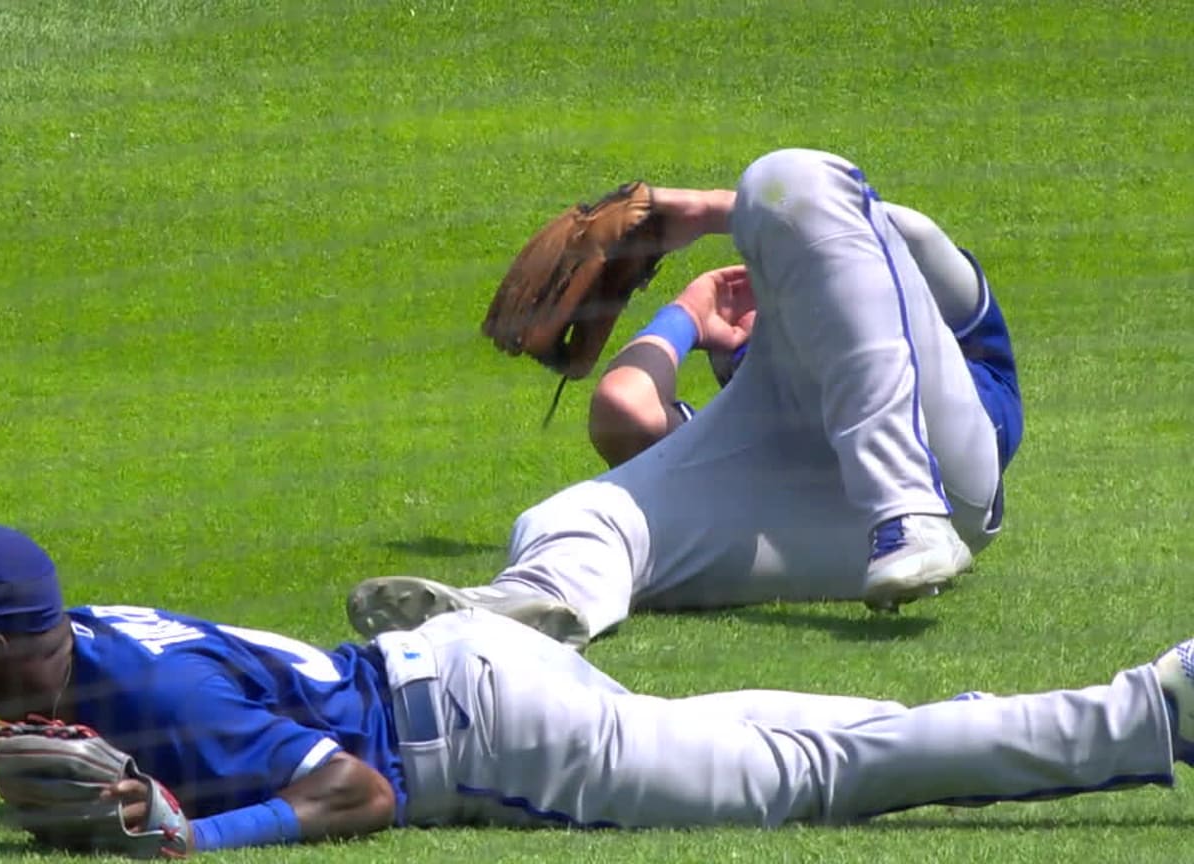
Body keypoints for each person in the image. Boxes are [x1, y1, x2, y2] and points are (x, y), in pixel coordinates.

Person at [0, 524, 1191, 855]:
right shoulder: (86, 645)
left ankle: (1161, 708)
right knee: (805, 735)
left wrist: (193, 840)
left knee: (829, 776)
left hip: (491, 739)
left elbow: (357, 793)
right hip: (467, 668)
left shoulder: (154, 700)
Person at [348, 148, 1025, 648]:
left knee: (785, 177)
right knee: (574, 517)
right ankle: (518, 612)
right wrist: (686, 316)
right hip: (815, 525)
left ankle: (905, 512)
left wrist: (706, 212)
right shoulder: (753, 411)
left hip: (942, 481)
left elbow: (875, 227)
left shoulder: (931, 309)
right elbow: (624, 409)